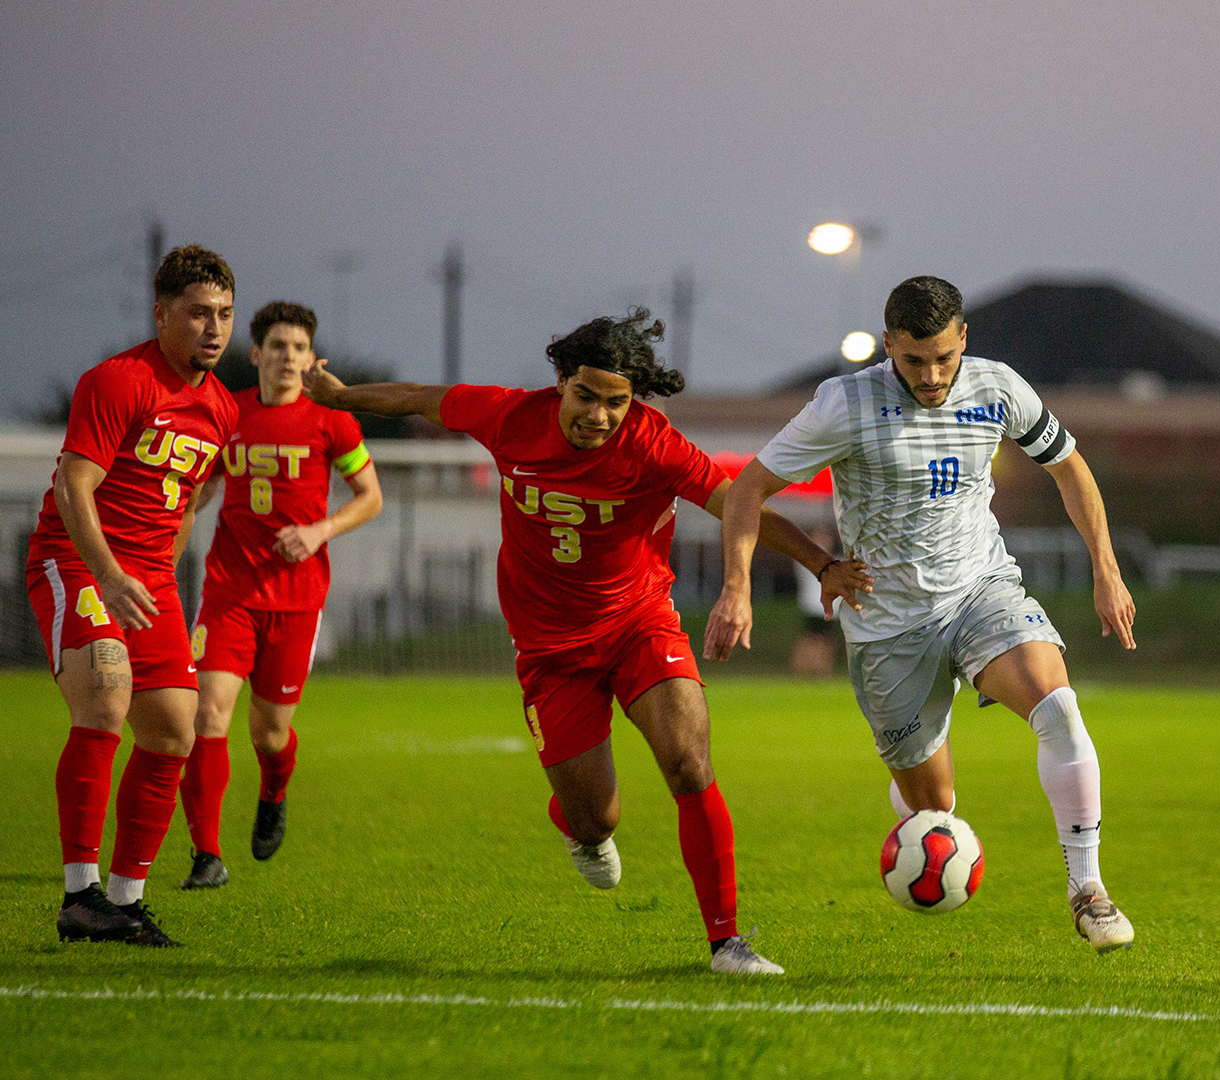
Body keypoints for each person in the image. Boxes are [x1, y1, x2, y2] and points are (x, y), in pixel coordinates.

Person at [302, 308, 866, 974]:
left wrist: (822, 566)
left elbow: (742, 504)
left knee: (688, 762)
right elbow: (421, 398)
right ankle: (578, 823)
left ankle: (727, 944)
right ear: (561, 383)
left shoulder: (654, 444)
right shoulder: (510, 416)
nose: (599, 415)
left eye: (616, 402)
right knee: (597, 819)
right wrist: (342, 399)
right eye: (587, 396)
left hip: (638, 623)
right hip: (549, 649)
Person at [706, 276, 1139, 953]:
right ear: (888, 347)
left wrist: (1107, 571)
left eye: (944, 357)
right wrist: (741, 586)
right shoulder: (844, 404)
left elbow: (1070, 468)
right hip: (887, 625)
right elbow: (747, 489)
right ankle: (917, 815)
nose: (933, 375)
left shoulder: (997, 387)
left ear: (964, 337)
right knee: (936, 806)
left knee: (1057, 707)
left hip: (979, 590)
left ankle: (1088, 889)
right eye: (914, 361)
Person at [29, 245, 240, 946]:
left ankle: (123, 901)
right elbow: (73, 486)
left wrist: (159, 579)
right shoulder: (119, 381)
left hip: (147, 580)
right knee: (108, 698)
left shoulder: (221, 410)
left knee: (177, 728)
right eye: (197, 313)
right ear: (161, 315)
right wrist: (112, 575)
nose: (213, 328)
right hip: (79, 562)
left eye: (224, 315)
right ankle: (79, 894)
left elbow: (185, 506)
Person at [177, 301, 384, 889]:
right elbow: (204, 481)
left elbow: (370, 496)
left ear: (310, 358)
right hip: (228, 591)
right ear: (257, 355)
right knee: (206, 712)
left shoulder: (330, 421)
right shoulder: (226, 413)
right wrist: (189, 500)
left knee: (268, 733)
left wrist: (319, 530)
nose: (288, 358)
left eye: (298, 348)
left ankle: (274, 790)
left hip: (297, 598)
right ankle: (206, 855)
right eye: (277, 347)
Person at [789, 527, 840, 679]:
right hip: (816, 606)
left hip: (824, 607)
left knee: (819, 639)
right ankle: (810, 669)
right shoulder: (809, 561)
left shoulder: (826, 560)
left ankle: (814, 669)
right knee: (816, 640)